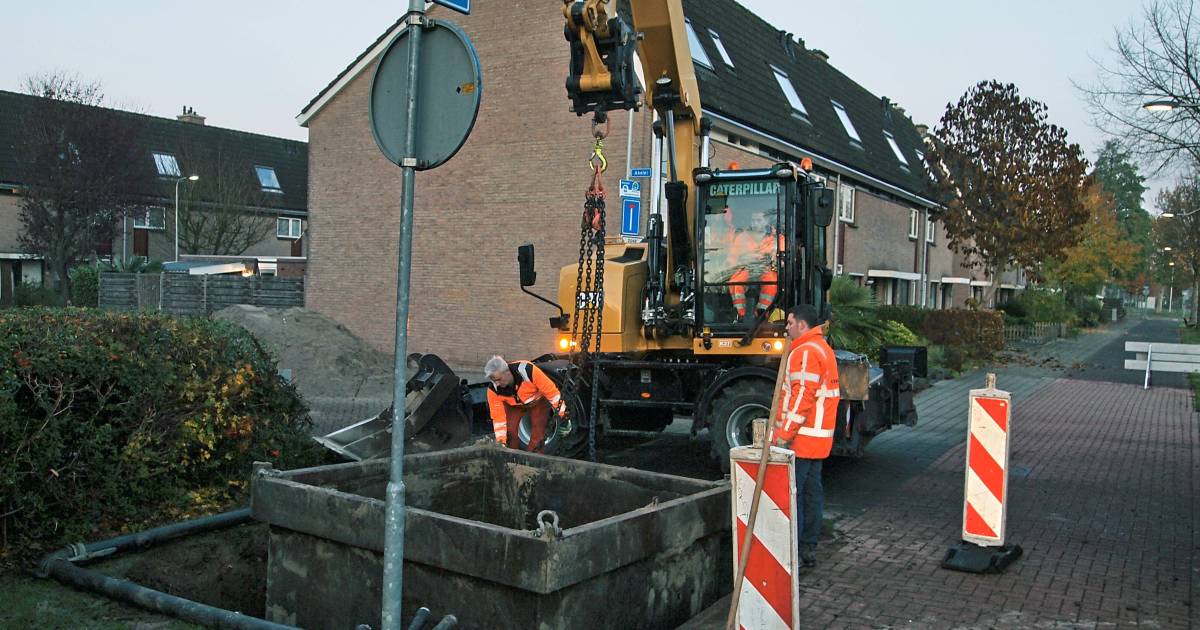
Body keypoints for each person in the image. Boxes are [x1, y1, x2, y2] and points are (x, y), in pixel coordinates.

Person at [771, 304, 840, 568]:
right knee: (813, 492)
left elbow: (802, 397)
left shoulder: (805, 352)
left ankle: (796, 550)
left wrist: (783, 434)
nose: (786, 328)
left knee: (795, 495)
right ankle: (809, 547)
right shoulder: (823, 348)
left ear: (802, 325)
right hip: (819, 438)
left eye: (789, 323)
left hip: (801, 439)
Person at [484, 355, 569, 453]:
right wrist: (501, 442)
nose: (497, 384)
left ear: (507, 372)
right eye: (494, 381)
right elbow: (498, 419)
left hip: (539, 401)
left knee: (538, 432)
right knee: (510, 431)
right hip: (514, 406)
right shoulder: (493, 390)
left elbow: (552, 393)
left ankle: (532, 460)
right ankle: (510, 457)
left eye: (498, 379)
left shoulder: (528, 370)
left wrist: (564, 416)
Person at [728, 212, 781, 321]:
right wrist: (732, 266)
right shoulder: (742, 237)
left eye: (759, 220)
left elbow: (782, 255)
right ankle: (740, 315)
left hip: (767, 269)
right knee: (735, 282)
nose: (755, 223)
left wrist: (777, 261)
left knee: (771, 282)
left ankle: (762, 312)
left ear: (766, 221)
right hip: (747, 268)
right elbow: (732, 258)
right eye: (753, 220)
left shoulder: (777, 238)